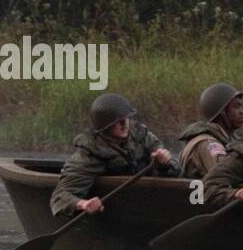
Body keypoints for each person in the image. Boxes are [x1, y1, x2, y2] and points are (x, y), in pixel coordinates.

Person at [50, 93, 179, 217]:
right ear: (105, 127)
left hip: (150, 205)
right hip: (119, 211)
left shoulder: (141, 135)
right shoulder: (90, 154)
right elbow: (60, 197)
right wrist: (83, 204)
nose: (124, 124)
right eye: (118, 121)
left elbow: (176, 169)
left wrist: (164, 165)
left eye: (126, 118)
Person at [178, 82, 243, 179]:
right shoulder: (207, 144)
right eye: (236, 107)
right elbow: (225, 174)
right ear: (222, 112)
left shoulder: (231, 139)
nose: (242, 112)